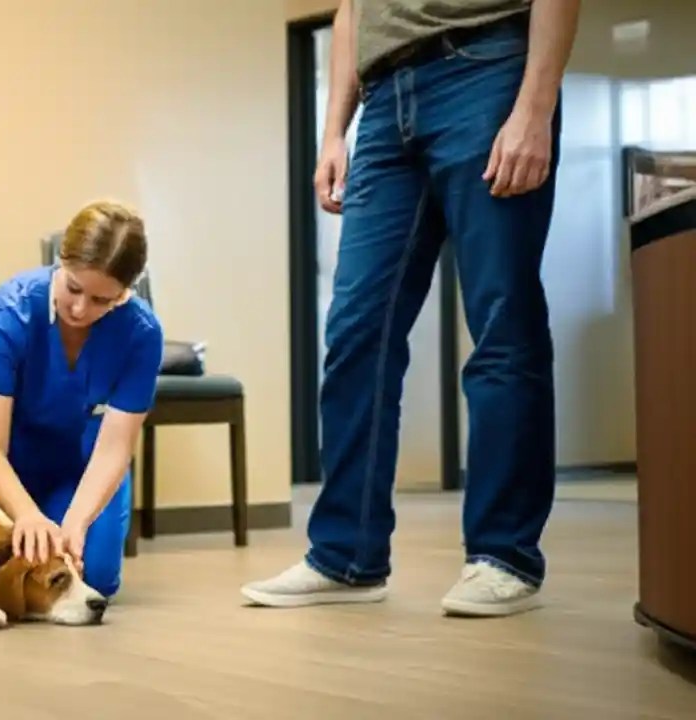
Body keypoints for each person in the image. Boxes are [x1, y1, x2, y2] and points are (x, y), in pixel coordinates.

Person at [242, 0, 580, 617]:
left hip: (487, 65)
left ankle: (504, 556)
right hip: (382, 99)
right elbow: (352, 9)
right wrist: (333, 132)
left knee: (502, 322)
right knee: (354, 333)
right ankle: (345, 556)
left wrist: (536, 106)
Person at [0, 200, 164, 598]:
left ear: (125, 291)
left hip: (83, 467)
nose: (79, 308)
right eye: (73, 288)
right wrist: (27, 516)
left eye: (102, 300)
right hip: (10, 465)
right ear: (60, 260)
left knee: (93, 578)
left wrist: (77, 523)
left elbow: (115, 448)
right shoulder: (11, 311)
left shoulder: (141, 333)